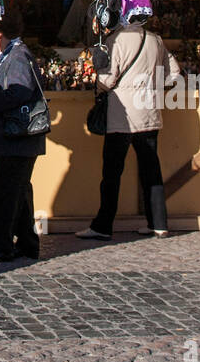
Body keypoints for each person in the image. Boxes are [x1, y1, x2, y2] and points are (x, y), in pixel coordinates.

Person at [77, 13, 181, 242]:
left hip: (121, 117)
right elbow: (174, 72)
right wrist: (153, 86)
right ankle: (159, 223)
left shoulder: (117, 40)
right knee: (151, 169)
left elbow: (107, 79)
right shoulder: (155, 39)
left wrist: (98, 85)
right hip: (149, 112)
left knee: (112, 173)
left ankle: (103, 225)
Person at [0, 13, 45, 263]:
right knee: (19, 193)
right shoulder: (13, 55)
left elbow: (18, 92)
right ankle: (27, 243)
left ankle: (0, 245)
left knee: (7, 193)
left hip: (17, 138)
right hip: (18, 139)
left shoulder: (16, 57)